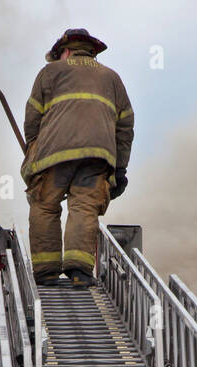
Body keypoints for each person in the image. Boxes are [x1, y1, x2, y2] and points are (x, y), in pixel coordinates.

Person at [22, 28, 134, 287]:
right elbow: (125, 126)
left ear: (66, 51)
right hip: (98, 156)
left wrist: (33, 151)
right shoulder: (112, 78)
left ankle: (47, 271)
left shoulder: (49, 72)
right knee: (84, 207)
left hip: (53, 154)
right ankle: (79, 272)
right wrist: (119, 169)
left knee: (44, 204)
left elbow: (33, 119)